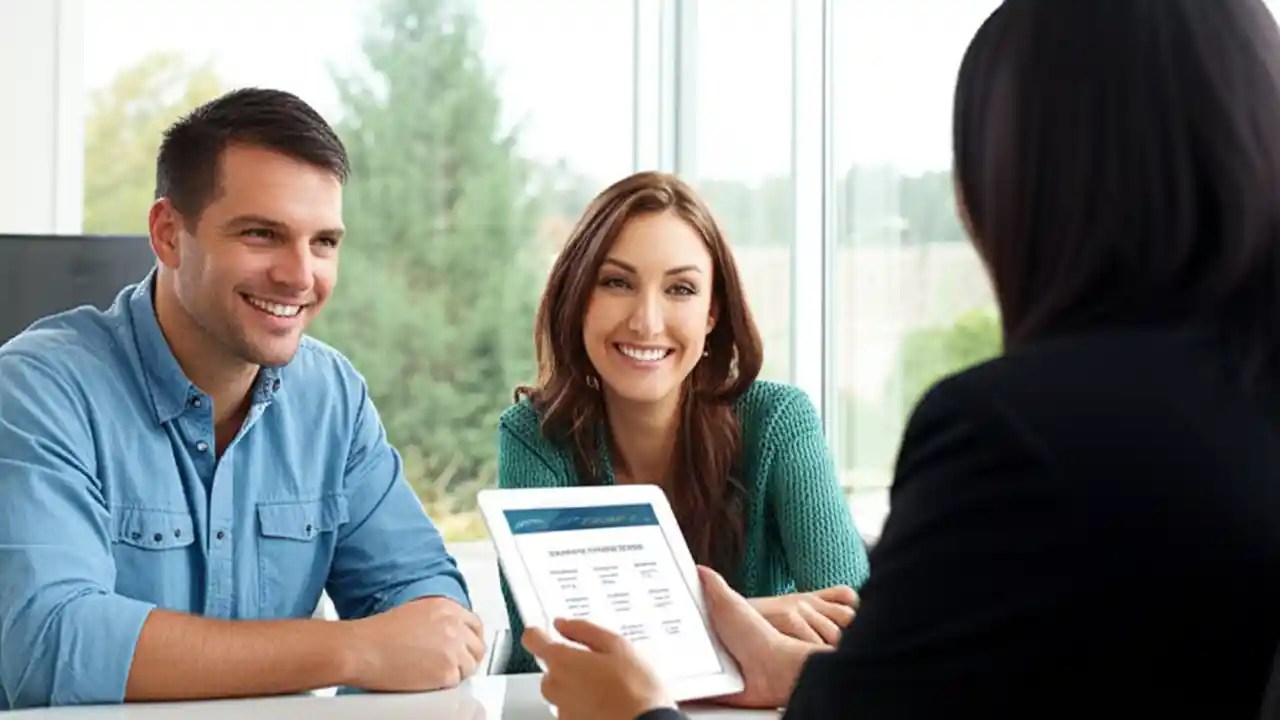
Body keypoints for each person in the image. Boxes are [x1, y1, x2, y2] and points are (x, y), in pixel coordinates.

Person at [521, 0, 1280, 717]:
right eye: (616, 282)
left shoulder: (1011, 436)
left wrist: (640, 712)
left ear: (1019, 180)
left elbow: (859, 620)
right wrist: (799, 672)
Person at [0, 88, 484, 710]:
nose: (300, 275)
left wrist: (416, 636)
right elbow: (49, 644)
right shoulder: (39, 390)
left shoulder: (331, 397)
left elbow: (427, 599)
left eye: (324, 242)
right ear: (169, 234)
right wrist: (352, 650)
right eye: (262, 234)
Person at [496, 171, 869, 674]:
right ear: (578, 295)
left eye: (681, 289)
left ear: (713, 312)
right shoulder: (536, 436)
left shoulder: (778, 421)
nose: (647, 321)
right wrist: (752, 620)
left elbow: (854, 624)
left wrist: (650, 629)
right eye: (617, 282)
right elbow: (542, 644)